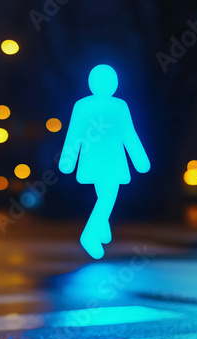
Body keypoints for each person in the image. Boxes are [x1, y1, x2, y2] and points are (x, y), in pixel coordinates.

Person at [59, 64, 150, 260]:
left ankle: (100, 226)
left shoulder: (98, 106)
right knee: (107, 197)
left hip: (103, 160)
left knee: (105, 195)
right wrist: (67, 159)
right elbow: (75, 135)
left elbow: (128, 134)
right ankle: (90, 235)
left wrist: (140, 159)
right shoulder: (107, 106)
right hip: (108, 160)